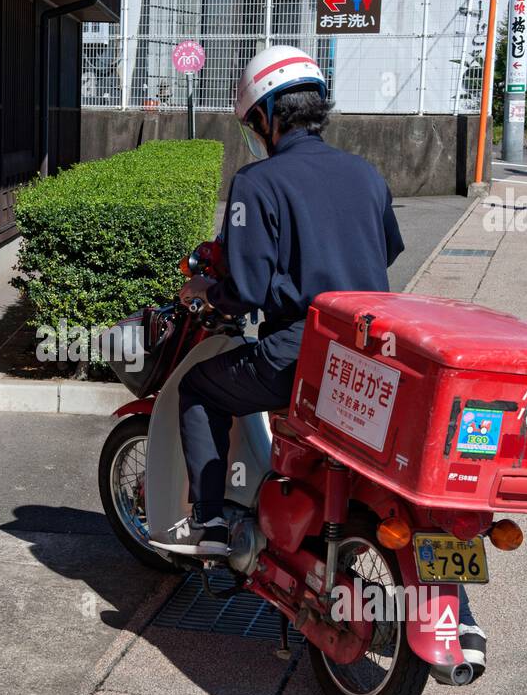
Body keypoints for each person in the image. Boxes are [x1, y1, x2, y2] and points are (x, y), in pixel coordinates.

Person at [160, 45, 404, 555]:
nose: (255, 134)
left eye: (253, 123)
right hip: (370, 356)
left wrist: (208, 291)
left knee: (201, 391)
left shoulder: (257, 182)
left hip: (298, 355)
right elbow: (388, 250)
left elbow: (246, 290)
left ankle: (209, 526)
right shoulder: (366, 173)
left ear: (268, 116)